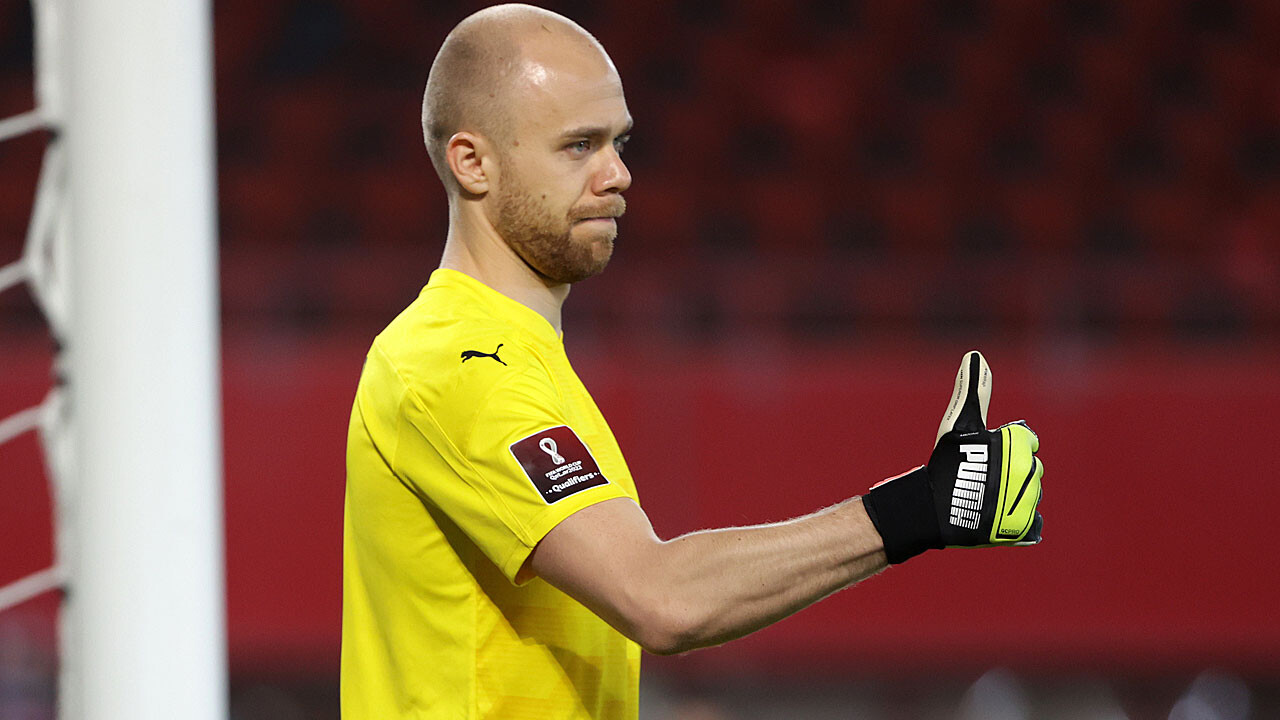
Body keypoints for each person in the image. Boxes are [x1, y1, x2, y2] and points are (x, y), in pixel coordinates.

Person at [340, 5, 1045, 719]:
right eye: (578, 146)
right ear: (472, 162)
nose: (618, 175)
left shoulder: (515, 358)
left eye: (618, 142)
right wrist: (920, 506)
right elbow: (658, 596)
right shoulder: (460, 363)